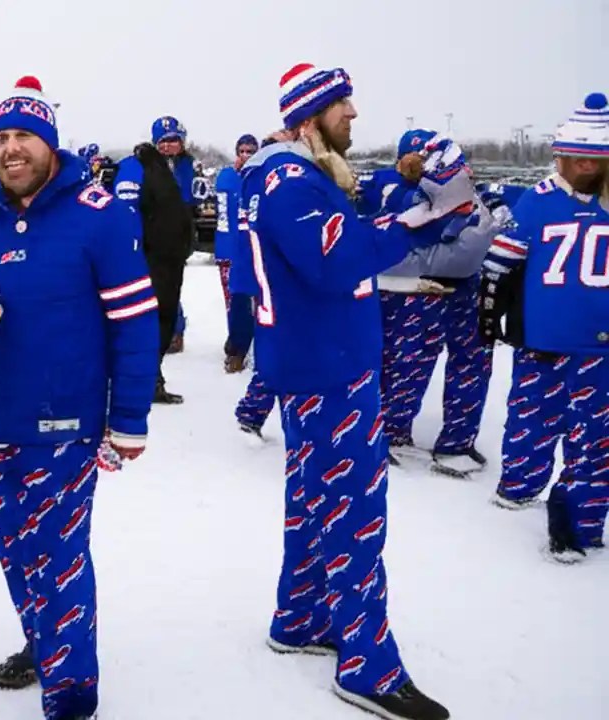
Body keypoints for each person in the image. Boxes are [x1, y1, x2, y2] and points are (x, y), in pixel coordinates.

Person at [0, 76, 158, 720]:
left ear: (49, 145)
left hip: (66, 422)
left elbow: (137, 323)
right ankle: (42, 645)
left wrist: (129, 419)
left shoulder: (101, 215)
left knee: (59, 557)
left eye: (23, 137)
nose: (10, 150)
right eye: (2, 138)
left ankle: (71, 692)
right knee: (16, 550)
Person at [243, 63, 457, 720]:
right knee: (354, 514)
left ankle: (300, 617)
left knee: (315, 500)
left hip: (320, 363)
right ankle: (368, 664)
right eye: (342, 106)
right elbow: (337, 258)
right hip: (328, 370)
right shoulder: (288, 179)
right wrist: (423, 220)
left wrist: (415, 210)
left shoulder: (297, 176)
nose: (354, 116)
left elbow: (340, 242)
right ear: (310, 117)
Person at [479, 92, 609, 563]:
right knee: (531, 417)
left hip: (600, 347)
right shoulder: (538, 201)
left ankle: (579, 525)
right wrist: (492, 313)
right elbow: (502, 260)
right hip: (543, 339)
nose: (580, 167)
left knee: (595, 438)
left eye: (591, 159)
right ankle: (519, 484)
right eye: (571, 158)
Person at [374, 129, 496, 477]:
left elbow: (481, 218)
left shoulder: (461, 190)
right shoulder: (390, 187)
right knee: (408, 362)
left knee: (473, 359)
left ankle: (458, 441)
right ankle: (389, 432)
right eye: (413, 158)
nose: (419, 167)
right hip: (413, 289)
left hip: (462, 285)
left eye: (426, 159)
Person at [113, 117, 195, 403]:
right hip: (147, 260)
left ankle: (151, 379)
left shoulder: (186, 167)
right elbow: (125, 210)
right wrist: (131, 252)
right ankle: (135, 383)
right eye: (164, 141)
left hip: (173, 260)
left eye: (174, 140)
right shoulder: (136, 166)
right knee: (146, 324)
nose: (169, 146)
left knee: (165, 320)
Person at [215, 134, 259, 320]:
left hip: (253, 247)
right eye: (242, 151)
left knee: (259, 295)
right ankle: (236, 338)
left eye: (250, 152)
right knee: (233, 298)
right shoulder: (226, 176)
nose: (245, 155)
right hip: (228, 246)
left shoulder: (259, 176)